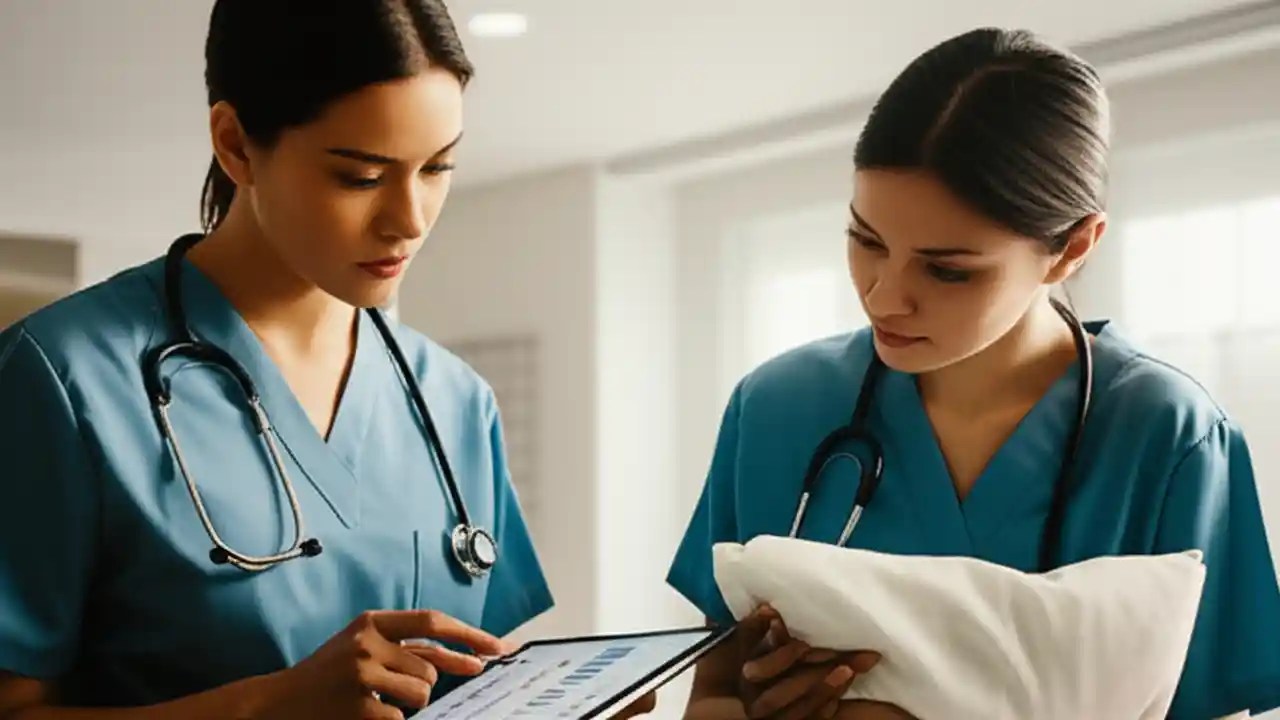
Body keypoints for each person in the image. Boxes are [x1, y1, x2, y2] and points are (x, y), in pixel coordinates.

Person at [0, 2, 608, 719]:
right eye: (360, 176)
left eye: (439, 167)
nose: (409, 220)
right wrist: (271, 708)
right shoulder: (62, 378)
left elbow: (471, 686)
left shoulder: (455, 403)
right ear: (236, 145)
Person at [666, 27, 1280, 720]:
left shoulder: (1167, 436)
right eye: (865, 241)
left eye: (947, 269)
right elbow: (713, 688)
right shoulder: (776, 410)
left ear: (1071, 248)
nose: (882, 296)